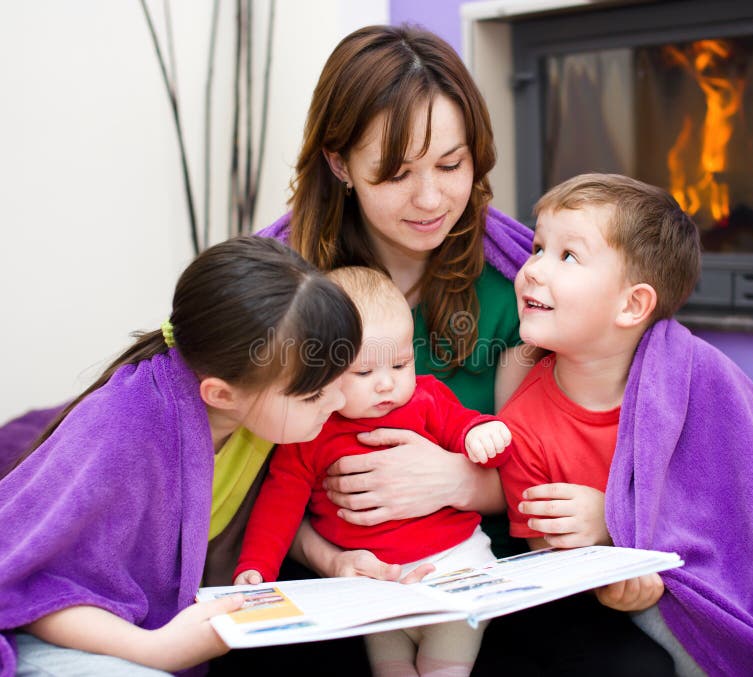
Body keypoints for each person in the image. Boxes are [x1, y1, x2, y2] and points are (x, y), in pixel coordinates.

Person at [251, 22, 674, 677]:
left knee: (633, 668)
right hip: (336, 578)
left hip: (482, 575)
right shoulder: (289, 297)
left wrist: (463, 483)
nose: (430, 199)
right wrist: (329, 555)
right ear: (340, 164)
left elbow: (546, 448)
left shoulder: (517, 292)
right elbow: (247, 487)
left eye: (451, 165)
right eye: (396, 174)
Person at [0, 236, 363, 676]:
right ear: (222, 394)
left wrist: (336, 560)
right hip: (41, 634)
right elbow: (29, 586)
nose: (342, 400)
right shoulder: (121, 431)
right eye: (317, 393)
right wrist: (153, 650)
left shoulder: (260, 416)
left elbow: (272, 512)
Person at [498, 173, 753, 676]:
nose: (532, 270)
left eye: (567, 256)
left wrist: (615, 519)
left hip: (727, 577)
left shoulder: (693, 381)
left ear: (633, 304)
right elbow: (549, 566)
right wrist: (614, 563)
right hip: (634, 602)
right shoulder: (524, 420)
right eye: (536, 247)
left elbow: (745, 507)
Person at [234, 267, 511, 677]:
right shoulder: (311, 427)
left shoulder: (426, 398)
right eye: (364, 373)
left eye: (400, 365)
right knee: (388, 661)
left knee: (447, 656)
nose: (385, 384)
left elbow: (464, 427)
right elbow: (280, 500)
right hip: (372, 583)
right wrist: (256, 564)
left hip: (455, 563)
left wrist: (481, 436)